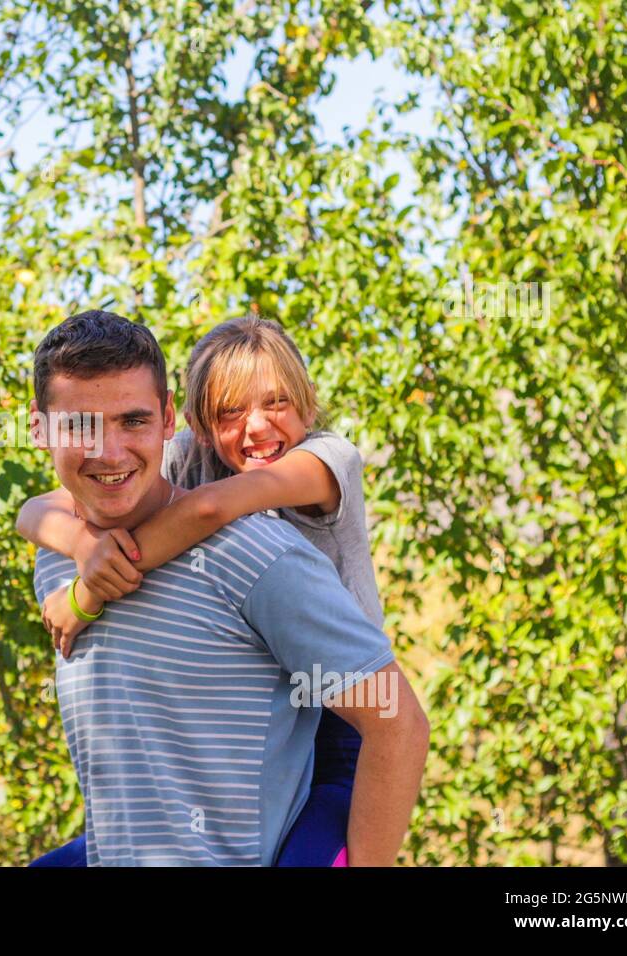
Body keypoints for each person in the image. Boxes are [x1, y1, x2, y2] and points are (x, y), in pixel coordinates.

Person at [23, 309, 428, 865]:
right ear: (195, 422)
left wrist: (85, 593)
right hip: (272, 724)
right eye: (230, 412)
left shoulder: (324, 462)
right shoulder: (183, 455)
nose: (257, 428)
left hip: (341, 729)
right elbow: (37, 509)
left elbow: (208, 510)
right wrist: (80, 544)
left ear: (306, 401)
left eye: (277, 402)